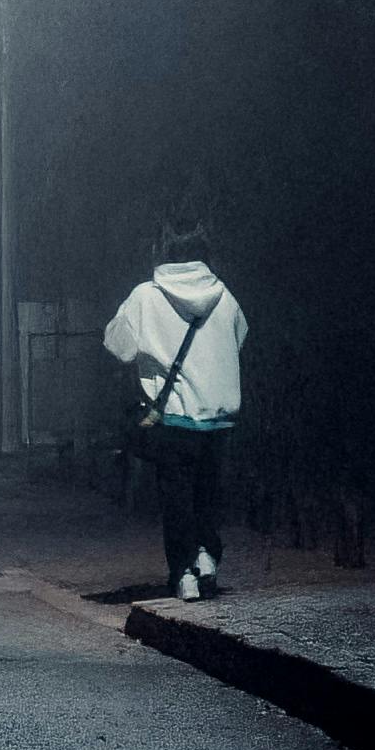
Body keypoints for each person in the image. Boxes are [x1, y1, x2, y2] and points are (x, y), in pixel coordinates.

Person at [103, 227, 250, 601]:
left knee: (177, 496)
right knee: (208, 491)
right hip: (219, 416)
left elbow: (117, 345)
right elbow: (240, 339)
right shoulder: (225, 297)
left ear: (166, 256)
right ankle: (206, 556)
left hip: (174, 416)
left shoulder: (145, 296)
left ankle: (184, 573)